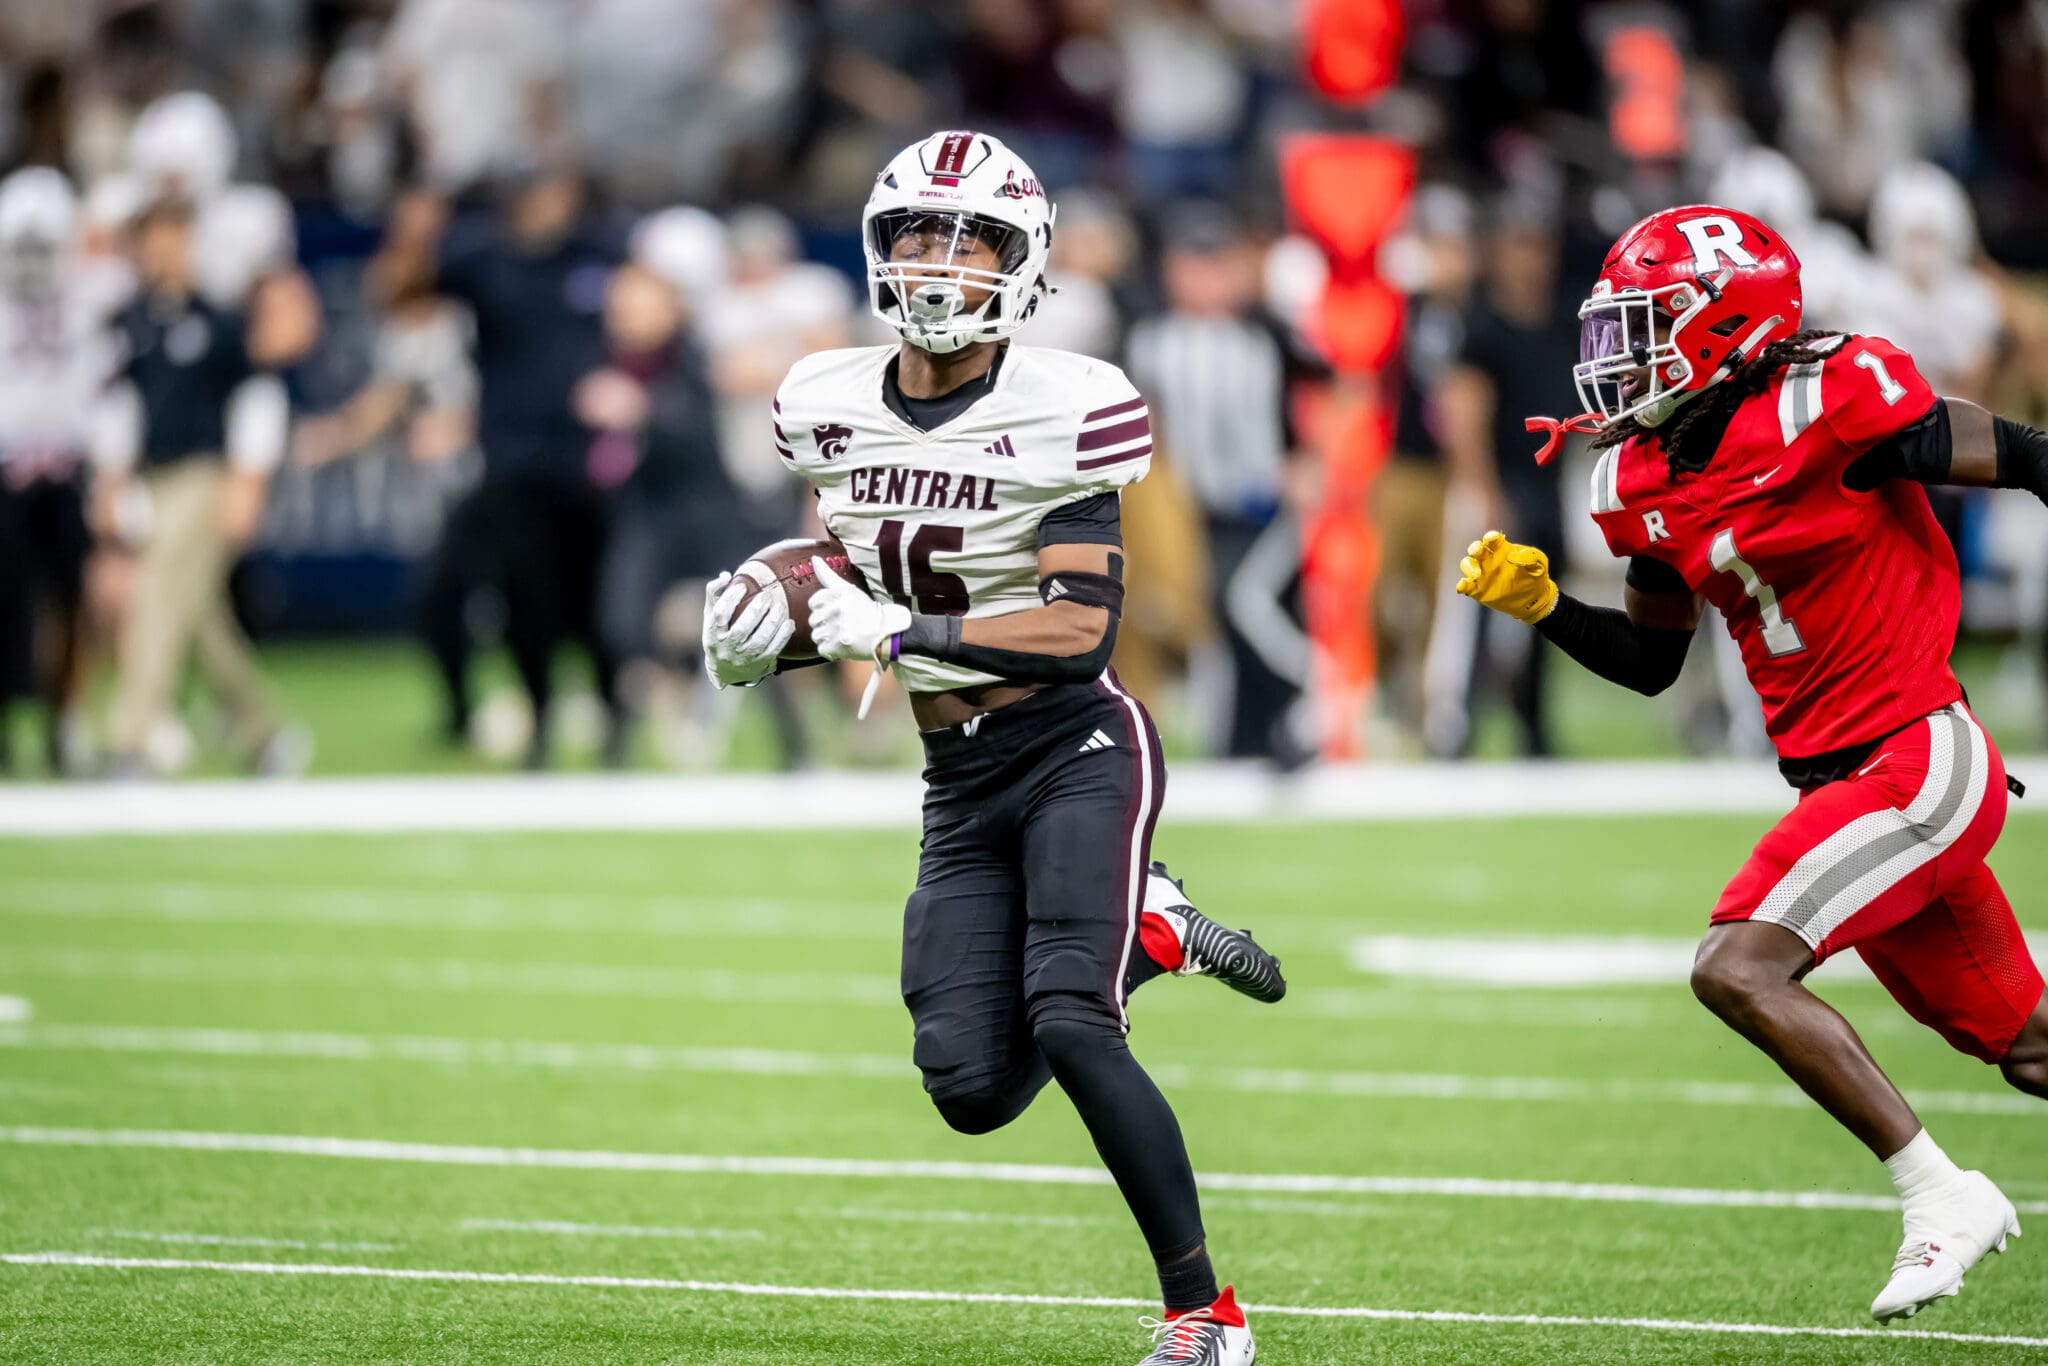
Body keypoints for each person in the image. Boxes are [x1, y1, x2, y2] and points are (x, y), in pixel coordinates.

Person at [700, 131, 1281, 1366]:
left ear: (1024, 264)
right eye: (916, 231)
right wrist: (775, 616)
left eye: (971, 239)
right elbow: (858, 559)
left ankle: (1204, 1317)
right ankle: (1152, 932)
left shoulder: (1069, 404)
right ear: (875, 247)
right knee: (965, 1087)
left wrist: (894, 629)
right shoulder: (826, 401)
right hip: (955, 776)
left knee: (1070, 1021)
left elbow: (1078, 631)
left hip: (1076, 743)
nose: (939, 260)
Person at [1461, 204, 2048, 1323]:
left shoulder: (1831, 395)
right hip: (1841, 786)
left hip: (1916, 753)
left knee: (1733, 965)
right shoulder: (1633, 474)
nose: (1615, 358)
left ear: (1722, 321)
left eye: (1641, 327)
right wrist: (1540, 606)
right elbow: (1647, 660)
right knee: (2026, 1045)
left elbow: (2022, 456)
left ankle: (1940, 1196)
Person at [374, 173, 624, 768]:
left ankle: (614, 720)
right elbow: (399, 297)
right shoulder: (484, 261)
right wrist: (414, 237)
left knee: (597, 603)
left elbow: (651, 310)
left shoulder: (598, 256)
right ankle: (539, 720)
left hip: (592, 463)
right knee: (525, 603)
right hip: (514, 463)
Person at [97, 198, 299, 776]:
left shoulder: (220, 320)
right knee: (201, 617)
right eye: (153, 238)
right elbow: (119, 407)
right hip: (153, 478)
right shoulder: (131, 321)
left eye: (174, 237)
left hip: (207, 475)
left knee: (155, 593)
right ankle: (266, 731)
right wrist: (112, 482)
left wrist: (247, 481)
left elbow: (257, 400)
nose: (163, 250)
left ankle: (130, 737)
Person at [0, 167, 107, 775]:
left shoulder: (93, 286)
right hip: (8, 462)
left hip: (68, 464)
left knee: (71, 602)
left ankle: (63, 722)